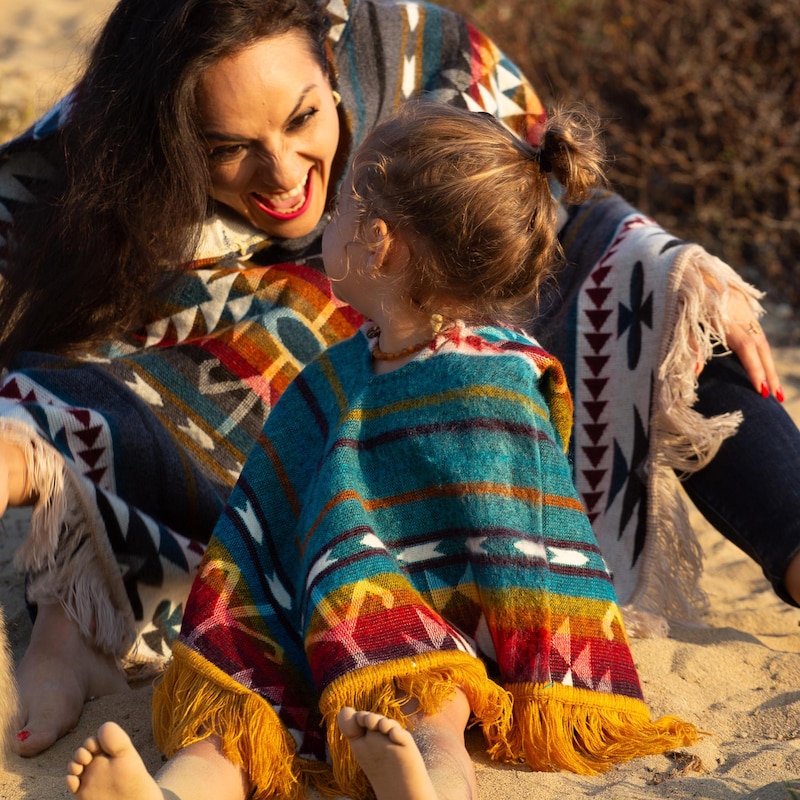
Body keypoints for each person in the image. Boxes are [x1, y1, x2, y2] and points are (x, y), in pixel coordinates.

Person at [0, 0, 797, 758]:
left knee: (668, 297)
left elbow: (557, 195)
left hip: (489, 373)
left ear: (330, 61)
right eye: (225, 147)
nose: (283, 173)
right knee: (50, 413)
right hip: (289, 419)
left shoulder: (406, 52)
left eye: (303, 118)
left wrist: (667, 261)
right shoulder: (101, 144)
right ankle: (72, 627)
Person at [64, 98, 699, 800]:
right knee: (242, 703)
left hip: (445, 644)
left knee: (433, 706)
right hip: (322, 615)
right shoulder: (337, 375)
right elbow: (276, 510)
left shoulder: (496, 381)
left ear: (378, 241)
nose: (328, 223)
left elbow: (521, 537)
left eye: (341, 209)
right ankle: (169, 793)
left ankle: (431, 786)